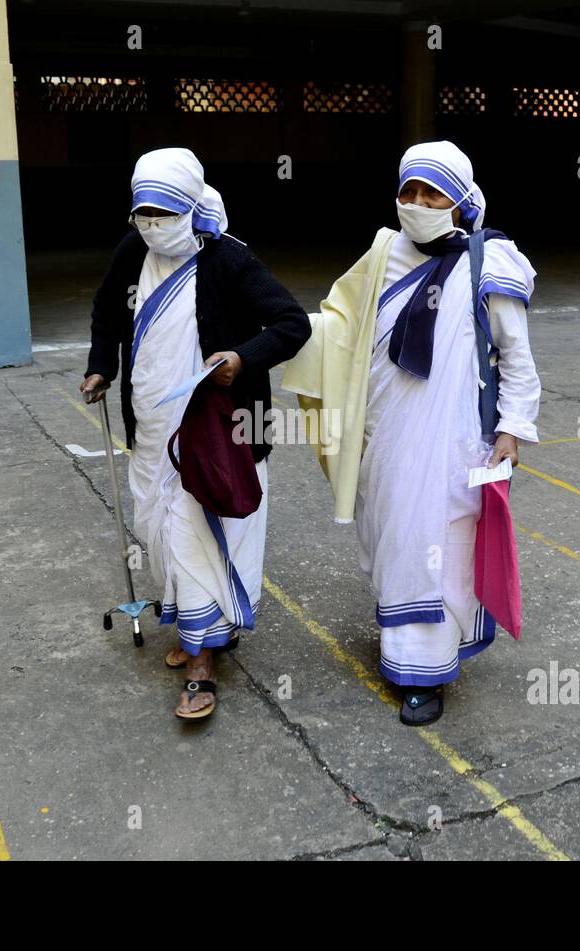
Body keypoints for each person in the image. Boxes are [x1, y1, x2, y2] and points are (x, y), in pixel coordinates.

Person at [284, 140, 540, 726]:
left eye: (433, 194)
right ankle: (401, 647)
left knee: (441, 551)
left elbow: (516, 356)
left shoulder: (489, 261)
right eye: (410, 191)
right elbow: (340, 325)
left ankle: (427, 672)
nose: (419, 203)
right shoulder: (382, 254)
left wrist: (512, 430)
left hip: (451, 441)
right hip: (383, 437)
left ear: (457, 200)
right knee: (392, 543)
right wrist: (283, 330)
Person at [81, 147, 310, 719]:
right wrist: (100, 365)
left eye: (165, 212)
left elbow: (291, 322)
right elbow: (108, 310)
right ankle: (201, 625)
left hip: (216, 431)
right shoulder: (134, 250)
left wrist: (242, 357)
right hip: (152, 426)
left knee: (198, 532)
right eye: (143, 213)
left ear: (190, 208)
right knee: (156, 525)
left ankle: (202, 658)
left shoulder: (229, 259)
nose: (153, 224)